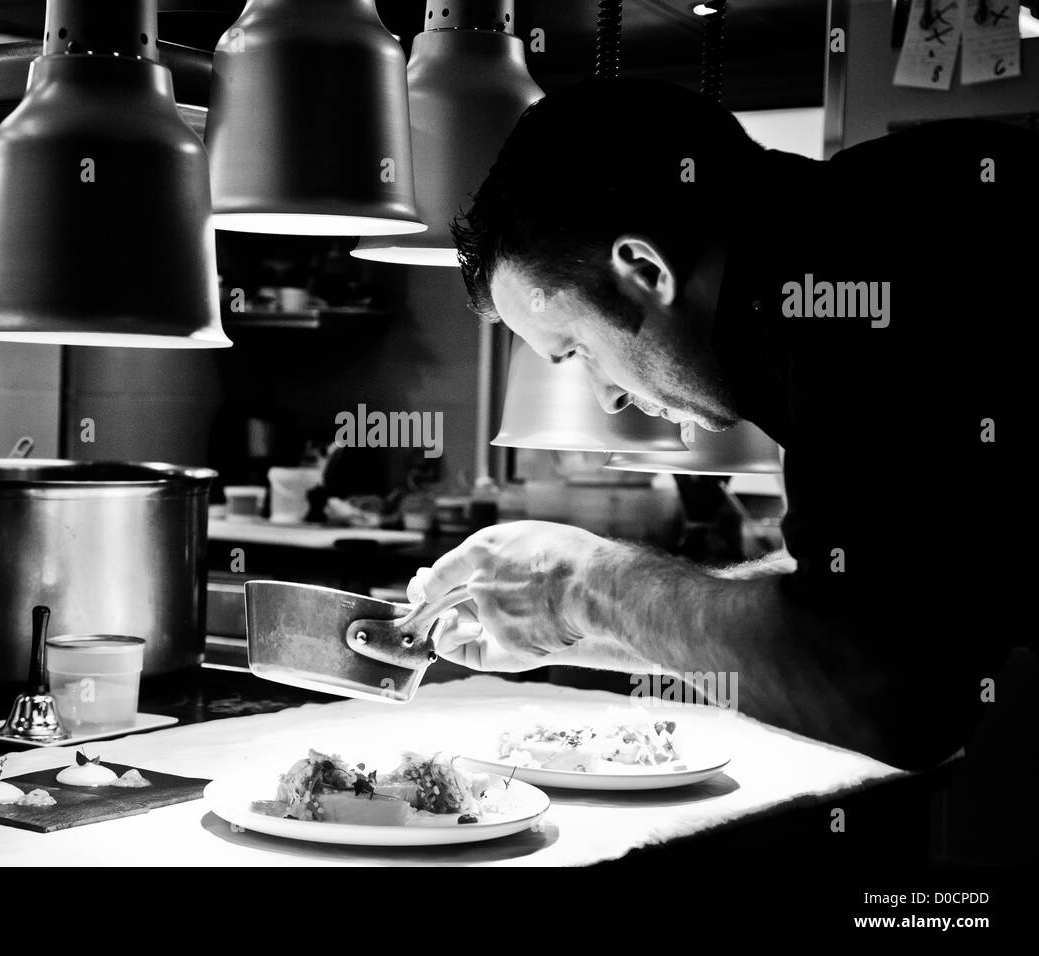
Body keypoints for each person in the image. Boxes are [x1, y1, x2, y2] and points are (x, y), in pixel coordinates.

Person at [409, 77, 1028, 771]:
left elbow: (892, 694)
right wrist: (563, 624)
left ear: (644, 269)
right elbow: (853, 597)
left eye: (578, 350)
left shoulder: (857, 279)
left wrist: (585, 584)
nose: (606, 398)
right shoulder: (857, 228)